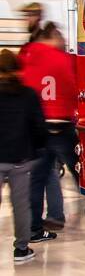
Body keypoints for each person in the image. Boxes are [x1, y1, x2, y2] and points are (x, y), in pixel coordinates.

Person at [20, 22, 76, 238]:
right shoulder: (61, 58)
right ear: (52, 35)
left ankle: (35, 227)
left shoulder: (27, 57)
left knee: (38, 178)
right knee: (77, 170)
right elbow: (71, 87)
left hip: (39, 128)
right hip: (62, 123)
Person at [0, 48, 47, 263]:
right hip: (20, 159)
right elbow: (39, 127)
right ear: (19, 69)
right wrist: (37, 150)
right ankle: (21, 249)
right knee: (20, 205)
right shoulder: (28, 94)